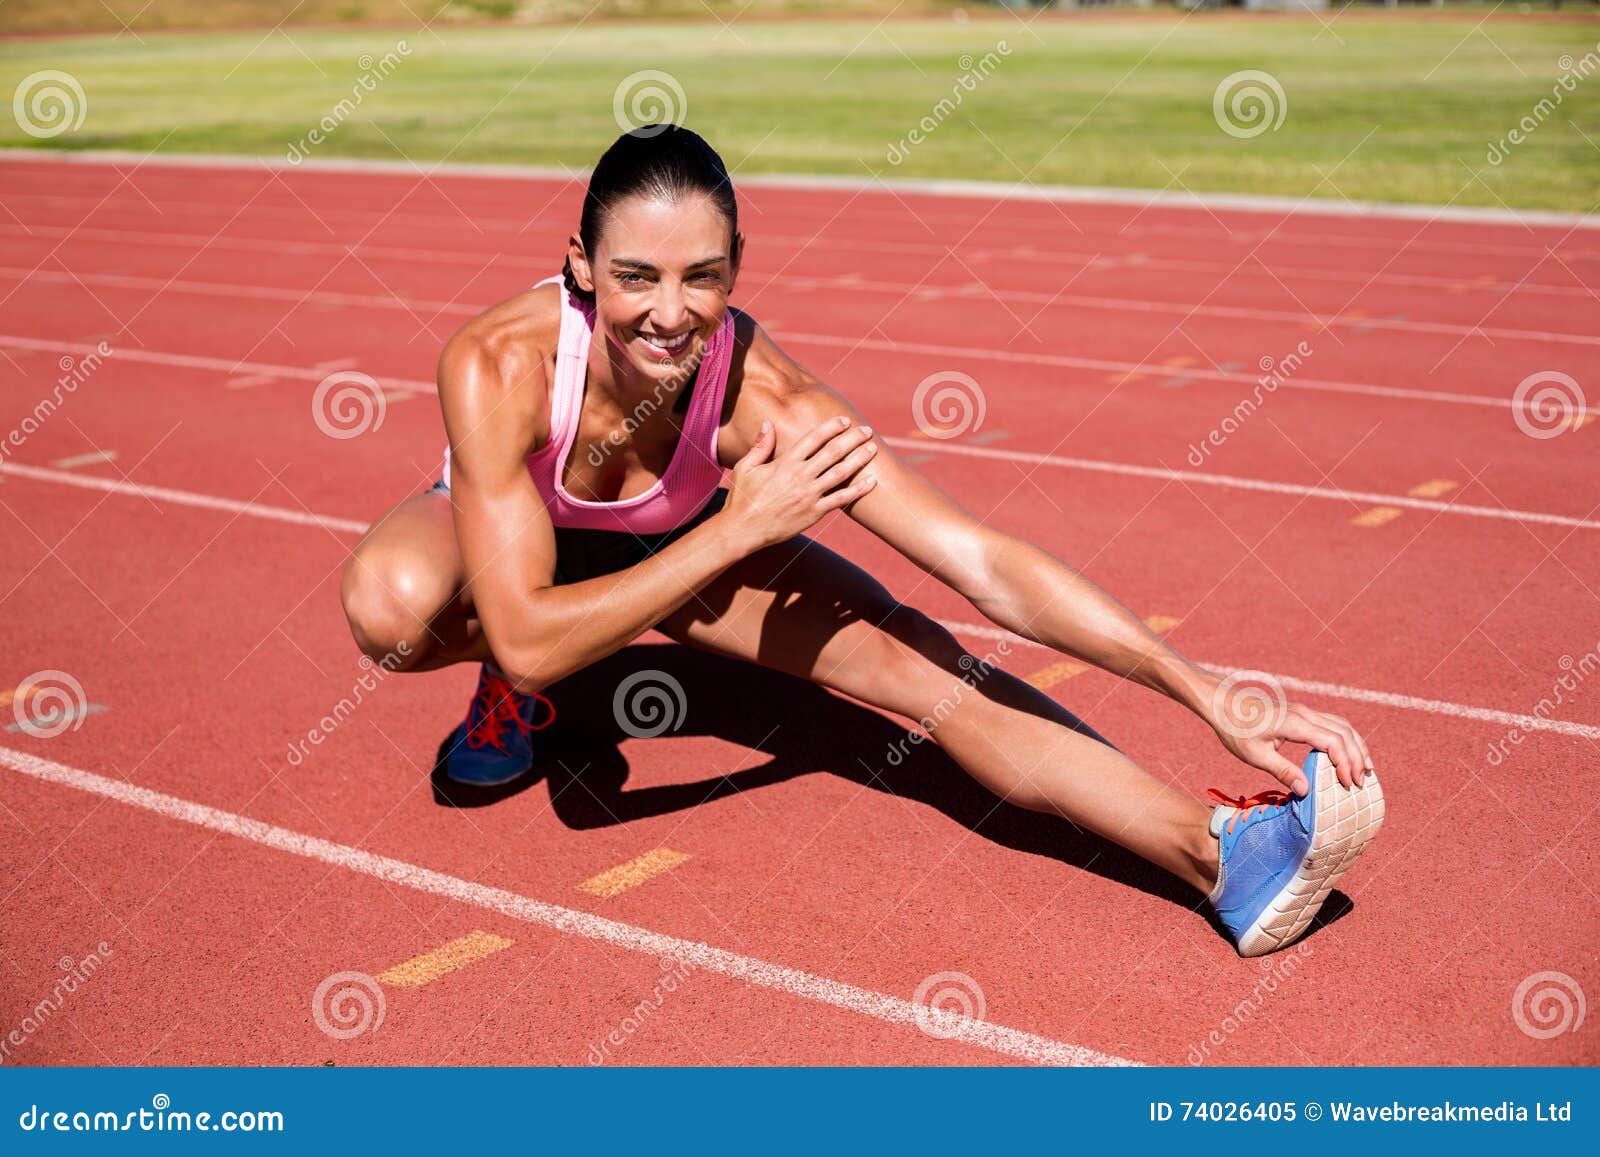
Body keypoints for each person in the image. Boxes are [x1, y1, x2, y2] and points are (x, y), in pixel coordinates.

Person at [340, 125, 1385, 957]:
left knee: (929, 669)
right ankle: (528, 687)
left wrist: (1202, 690)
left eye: (702, 276)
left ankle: (1222, 859)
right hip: (535, 560)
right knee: (393, 604)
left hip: (686, 553)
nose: (669, 313)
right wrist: (739, 527)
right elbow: (523, 634)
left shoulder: (769, 398)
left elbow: (981, 564)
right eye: (635, 277)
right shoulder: (496, 362)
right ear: (580, 265)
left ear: (738, 269)